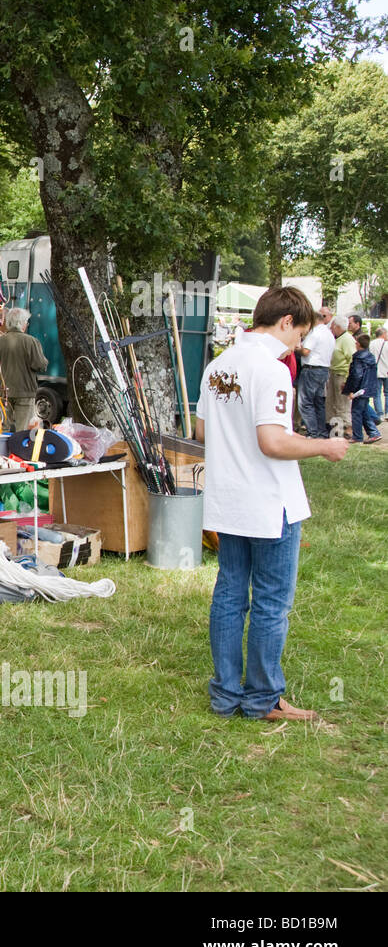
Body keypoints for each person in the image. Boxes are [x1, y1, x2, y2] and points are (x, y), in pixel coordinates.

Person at [196, 286, 347, 722]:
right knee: (270, 601)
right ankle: (263, 698)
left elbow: (203, 432)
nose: (299, 344)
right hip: (268, 501)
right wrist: (323, 447)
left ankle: (225, 695)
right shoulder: (272, 369)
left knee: (228, 595)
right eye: (300, 334)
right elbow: (273, 441)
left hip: (228, 500)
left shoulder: (218, 366)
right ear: (286, 322)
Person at [0, 307, 49, 431]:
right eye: (26, 322)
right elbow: (41, 365)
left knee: (1, 429)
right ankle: (19, 451)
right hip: (25, 392)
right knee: (23, 431)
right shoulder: (31, 342)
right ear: (22, 324)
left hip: (2, 391)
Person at [296, 304, 333, 435]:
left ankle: (313, 432)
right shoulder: (329, 333)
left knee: (305, 402)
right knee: (318, 402)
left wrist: (296, 347)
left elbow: (305, 351)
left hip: (311, 369)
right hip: (324, 369)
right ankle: (321, 431)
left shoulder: (315, 332)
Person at [342, 333, 382, 444]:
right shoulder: (370, 356)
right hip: (368, 388)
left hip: (360, 389)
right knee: (363, 411)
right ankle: (373, 433)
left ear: (358, 344)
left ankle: (358, 436)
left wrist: (350, 390)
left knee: (356, 412)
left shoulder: (358, 357)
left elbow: (356, 375)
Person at [327, 314, 355, 436]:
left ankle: (347, 427)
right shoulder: (337, 338)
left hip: (342, 374)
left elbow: (352, 359)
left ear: (337, 327)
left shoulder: (347, 339)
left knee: (342, 403)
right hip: (333, 373)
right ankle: (336, 429)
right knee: (333, 402)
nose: (331, 328)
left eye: (333, 326)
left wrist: (348, 379)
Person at [369, 325, 388, 417]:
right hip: (387, 371)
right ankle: (387, 413)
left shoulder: (371, 344)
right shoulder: (387, 344)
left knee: (376, 394)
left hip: (375, 371)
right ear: (383, 334)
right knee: (387, 393)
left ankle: (379, 413)